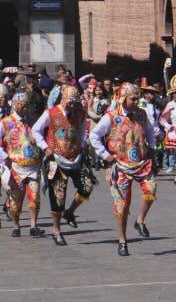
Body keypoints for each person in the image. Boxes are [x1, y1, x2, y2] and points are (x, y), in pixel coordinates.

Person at [89, 82, 157, 256]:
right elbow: (94, 135)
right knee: (122, 205)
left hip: (141, 163)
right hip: (120, 165)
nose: (136, 101)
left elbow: (150, 131)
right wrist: (105, 155)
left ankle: (140, 220)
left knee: (151, 189)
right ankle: (122, 240)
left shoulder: (142, 114)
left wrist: (152, 148)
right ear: (123, 99)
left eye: (137, 98)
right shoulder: (111, 117)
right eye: (133, 98)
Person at [31, 85, 93, 245]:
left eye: (75, 102)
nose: (73, 106)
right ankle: (56, 230)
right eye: (70, 102)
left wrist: (83, 143)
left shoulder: (80, 112)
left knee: (86, 186)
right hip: (56, 159)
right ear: (63, 100)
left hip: (76, 157)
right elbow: (35, 130)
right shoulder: (50, 113)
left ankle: (70, 212)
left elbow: (82, 129)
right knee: (58, 195)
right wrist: (46, 148)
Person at [0, 92, 46, 237]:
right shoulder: (6, 122)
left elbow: (40, 136)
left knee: (35, 196)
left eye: (27, 105)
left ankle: (33, 225)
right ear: (15, 105)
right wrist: (4, 157)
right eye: (22, 105)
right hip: (16, 167)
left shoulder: (33, 121)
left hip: (33, 166)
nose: (25, 108)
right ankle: (16, 225)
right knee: (15, 200)